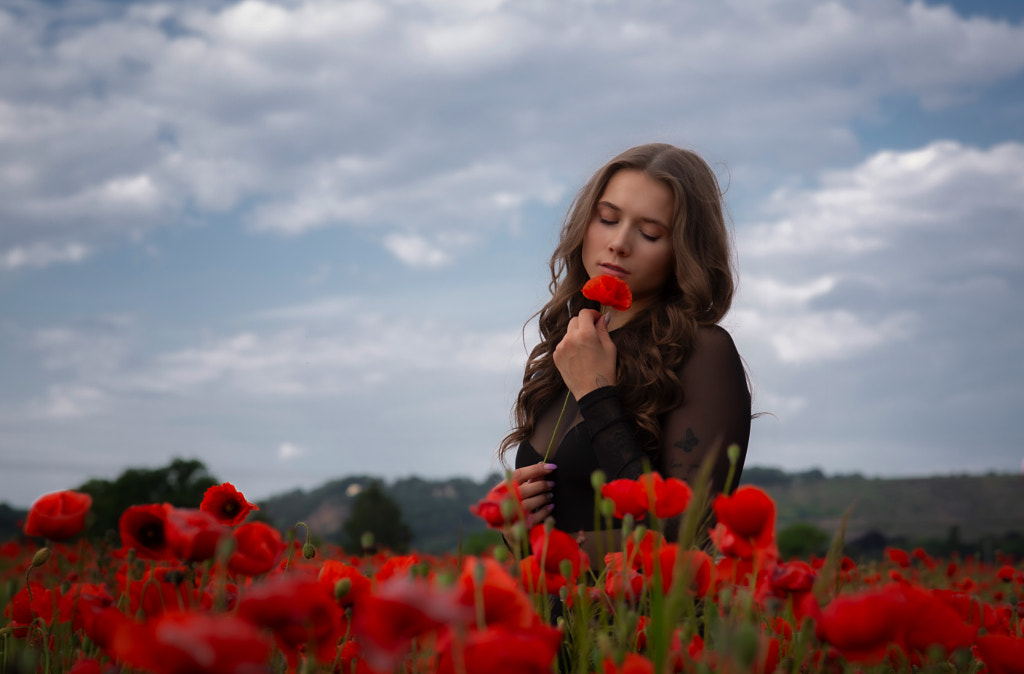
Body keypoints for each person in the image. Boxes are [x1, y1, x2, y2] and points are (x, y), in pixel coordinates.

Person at [496, 143, 751, 565]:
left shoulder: (703, 352)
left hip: (642, 610)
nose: (618, 243)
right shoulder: (569, 348)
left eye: (650, 233)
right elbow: (560, 527)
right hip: (559, 608)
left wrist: (596, 394)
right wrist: (516, 533)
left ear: (683, 251)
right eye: (608, 219)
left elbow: (688, 537)